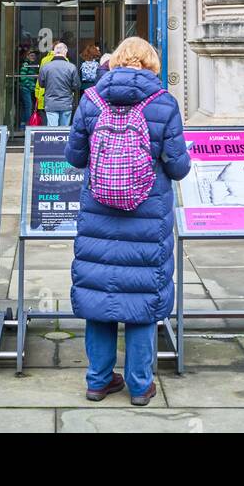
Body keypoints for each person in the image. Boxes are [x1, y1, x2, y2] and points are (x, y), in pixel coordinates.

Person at [64, 36, 191, 407]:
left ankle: (98, 381)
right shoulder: (164, 103)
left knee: (98, 297)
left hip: (98, 217)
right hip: (147, 219)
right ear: (151, 65)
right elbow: (179, 167)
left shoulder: (91, 100)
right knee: (142, 299)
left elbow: (74, 157)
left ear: (114, 62)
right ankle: (140, 385)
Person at [37, 43, 79, 127]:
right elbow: (76, 85)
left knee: (52, 132)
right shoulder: (71, 67)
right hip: (66, 103)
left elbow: (41, 84)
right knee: (64, 131)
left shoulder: (45, 67)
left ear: (54, 52)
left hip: (51, 103)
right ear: (65, 52)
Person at [19, 49, 39, 125]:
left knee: (26, 106)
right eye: (31, 55)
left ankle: (23, 123)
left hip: (28, 88)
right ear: (27, 56)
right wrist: (31, 86)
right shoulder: (26, 64)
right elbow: (23, 77)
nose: (33, 57)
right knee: (29, 106)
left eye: (34, 56)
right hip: (25, 88)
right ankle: (28, 124)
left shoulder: (31, 64)